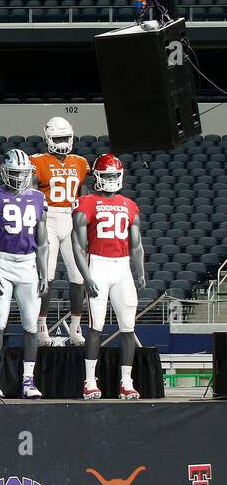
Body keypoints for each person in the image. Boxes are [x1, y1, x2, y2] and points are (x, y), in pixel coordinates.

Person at [0, 149, 49, 399]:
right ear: (5, 172)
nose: (19, 178)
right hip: (3, 262)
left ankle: (28, 380)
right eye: (15, 173)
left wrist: (43, 272)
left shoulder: (39, 198)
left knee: (31, 326)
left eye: (23, 173)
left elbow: (44, 241)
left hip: (28, 264)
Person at [73, 154, 145, 401]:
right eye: (107, 175)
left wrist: (140, 271)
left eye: (115, 175)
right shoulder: (87, 202)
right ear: (97, 177)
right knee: (96, 327)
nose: (112, 179)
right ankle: (90, 380)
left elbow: (136, 246)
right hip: (99, 265)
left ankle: (127, 381)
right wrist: (86, 276)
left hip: (122, 267)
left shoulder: (130, 204)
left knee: (128, 327)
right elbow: (78, 246)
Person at [30, 117, 91, 345]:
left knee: (78, 276)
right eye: (58, 138)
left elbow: (83, 197)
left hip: (72, 218)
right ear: (47, 139)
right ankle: (41, 327)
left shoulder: (80, 162)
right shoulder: (37, 162)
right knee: (47, 275)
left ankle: (76, 328)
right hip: (49, 218)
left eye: (65, 138)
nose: (62, 143)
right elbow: (32, 194)